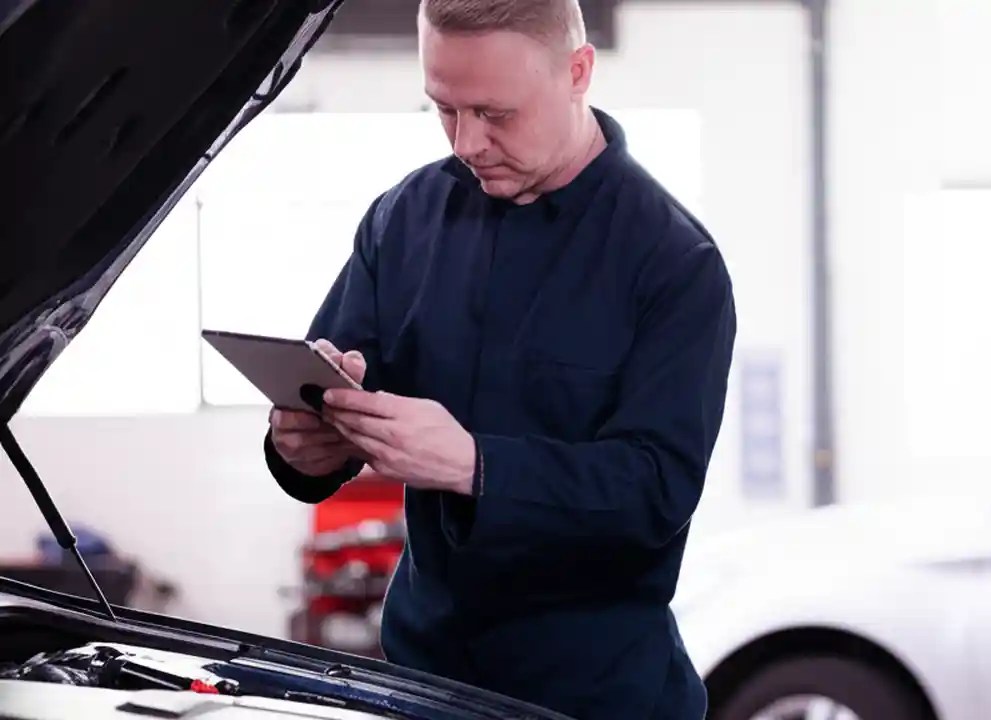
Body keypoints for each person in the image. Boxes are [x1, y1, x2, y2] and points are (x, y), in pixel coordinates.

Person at [263, 0, 736, 717]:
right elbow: (331, 398)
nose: (466, 143)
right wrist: (302, 445)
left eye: (496, 114)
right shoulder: (405, 218)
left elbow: (655, 489)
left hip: (597, 699)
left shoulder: (673, 263)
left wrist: (474, 465)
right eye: (443, 109)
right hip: (424, 684)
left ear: (578, 71)